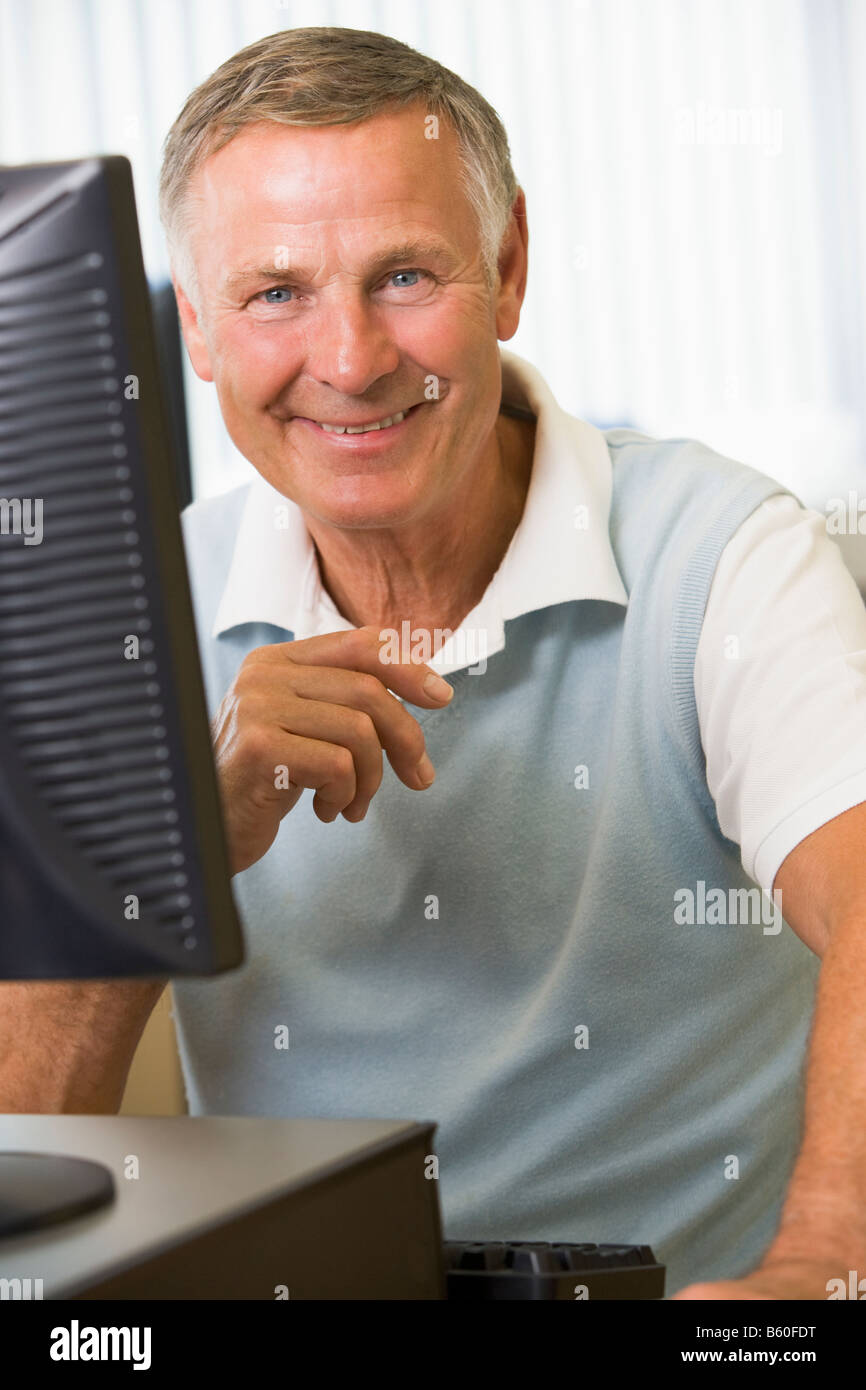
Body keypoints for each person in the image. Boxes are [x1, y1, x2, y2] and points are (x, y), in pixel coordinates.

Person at [5, 26, 866, 1301]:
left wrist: (816, 1268)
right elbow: (27, 1158)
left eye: (404, 274)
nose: (349, 363)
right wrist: (169, 862)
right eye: (275, 292)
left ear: (507, 265)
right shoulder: (137, 618)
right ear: (195, 324)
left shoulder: (723, 549)